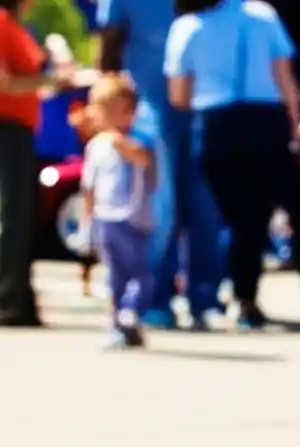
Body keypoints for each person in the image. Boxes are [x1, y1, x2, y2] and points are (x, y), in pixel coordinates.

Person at [166, 0, 300, 331]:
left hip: (215, 125)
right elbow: (284, 76)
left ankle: (245, 299)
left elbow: (179, 95)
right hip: (268, 122)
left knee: (241, 219)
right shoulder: (263, 16)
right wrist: (295, 129)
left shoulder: (187, 27)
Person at [98, 0, 225, 330]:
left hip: (191, 103)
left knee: (194, 203)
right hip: (157, 106)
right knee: (166, 203)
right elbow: (110, 41)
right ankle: (162, 296)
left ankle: (194, 296)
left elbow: (111, 38)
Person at [0, 0, 74, 327]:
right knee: (10, 214)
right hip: (5, 126)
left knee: (24, 214)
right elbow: (6, 83)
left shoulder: (19, 29)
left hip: (22, 128)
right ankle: (7, 297)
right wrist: (52, 81)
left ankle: (20, 298)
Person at [82, 74, 155, 348]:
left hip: (134, 217)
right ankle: (116, 323)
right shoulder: (96, 147)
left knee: (140, 272)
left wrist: (120, 142)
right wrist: (87, 224)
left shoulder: (140, 140)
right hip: (105, 218)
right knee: (114, 274)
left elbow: (143, 159)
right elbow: (88, 187)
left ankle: (131, 312)